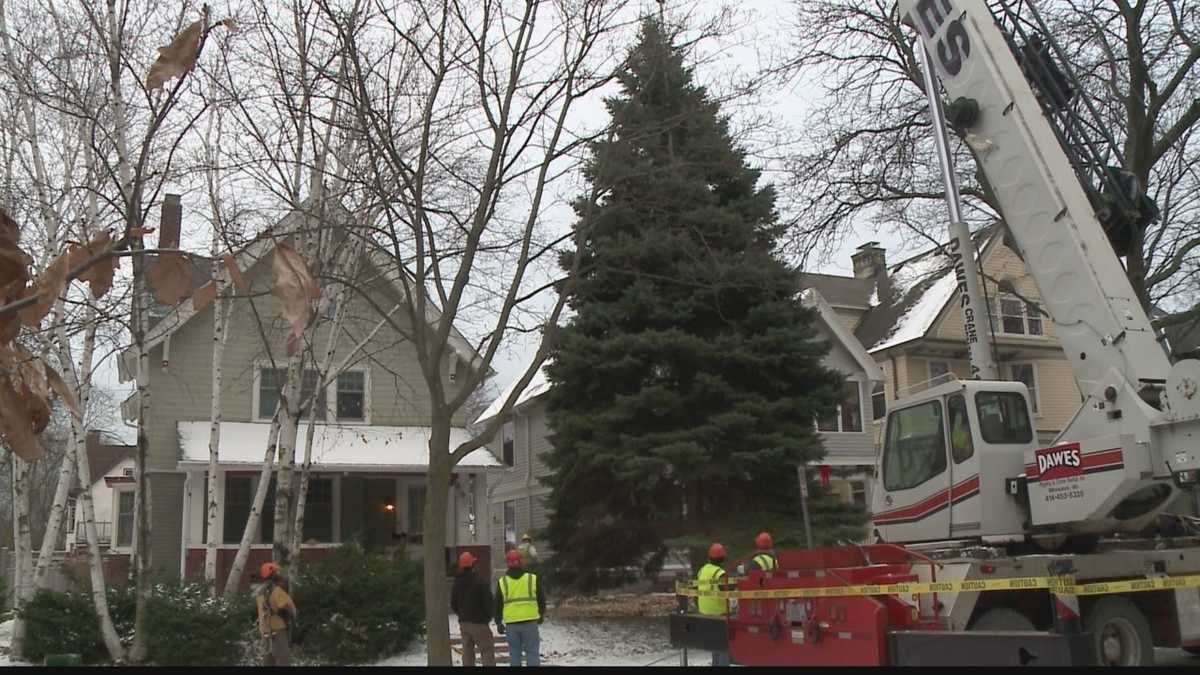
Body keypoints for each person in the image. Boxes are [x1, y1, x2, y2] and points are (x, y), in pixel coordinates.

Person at [494, 549, 546, 667]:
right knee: (532, 653)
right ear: (521, 562)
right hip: (530, 623)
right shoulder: (532, 579)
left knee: (515, 655)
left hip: (512, 625)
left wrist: (498, 622)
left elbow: (497, 604)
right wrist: (541, 614)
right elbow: (541, 598)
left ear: (508, 564)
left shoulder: (503, 582)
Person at [451, 551, 496, 667]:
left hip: (464, 623)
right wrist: (487, 618)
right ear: (472, 564)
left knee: (467, 653)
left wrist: (462, 614)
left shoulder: (457, 582)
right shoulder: (480, 581)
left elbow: (453, 603)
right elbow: (488, 601)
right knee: (487, 651)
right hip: (479, 623)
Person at [255, 562, 298, 667]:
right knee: (284, 661)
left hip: (265, 634)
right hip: (278, 633)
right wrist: (291, 615)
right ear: (274, 574)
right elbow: (286, 607)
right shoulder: (277, 591)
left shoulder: (261, 592)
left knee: (268, 663)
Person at [697, 543, 731, 667]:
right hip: (718, 613)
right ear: (723, 558)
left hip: (704, 612)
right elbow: (727, 590)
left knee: (714, 644)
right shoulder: (719, 573)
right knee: (723, 646)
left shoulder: (702, 569)